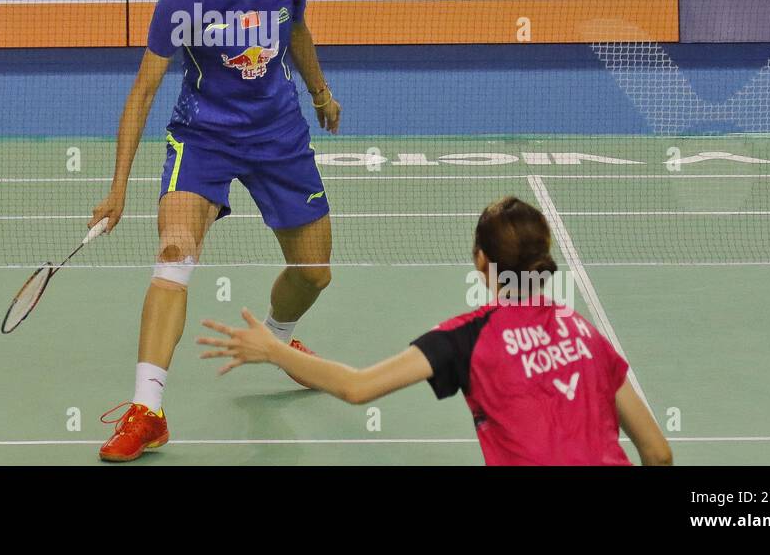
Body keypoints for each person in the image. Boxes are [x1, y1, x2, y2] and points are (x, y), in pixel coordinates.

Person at [90, 0, 342, 462]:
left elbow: (296, 26)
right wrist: (118, 187)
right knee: (173, 258)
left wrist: (321, 92)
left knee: (314, 273)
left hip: (278, 133)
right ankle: (147, 410)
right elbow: (145, 89)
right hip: (202, 136)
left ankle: (279, 341)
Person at [198, 196, 674, 466]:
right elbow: (657, 453)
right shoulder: (582, 332)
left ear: (481, 262)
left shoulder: (466, 338)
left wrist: (273, 348)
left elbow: (357, 387)